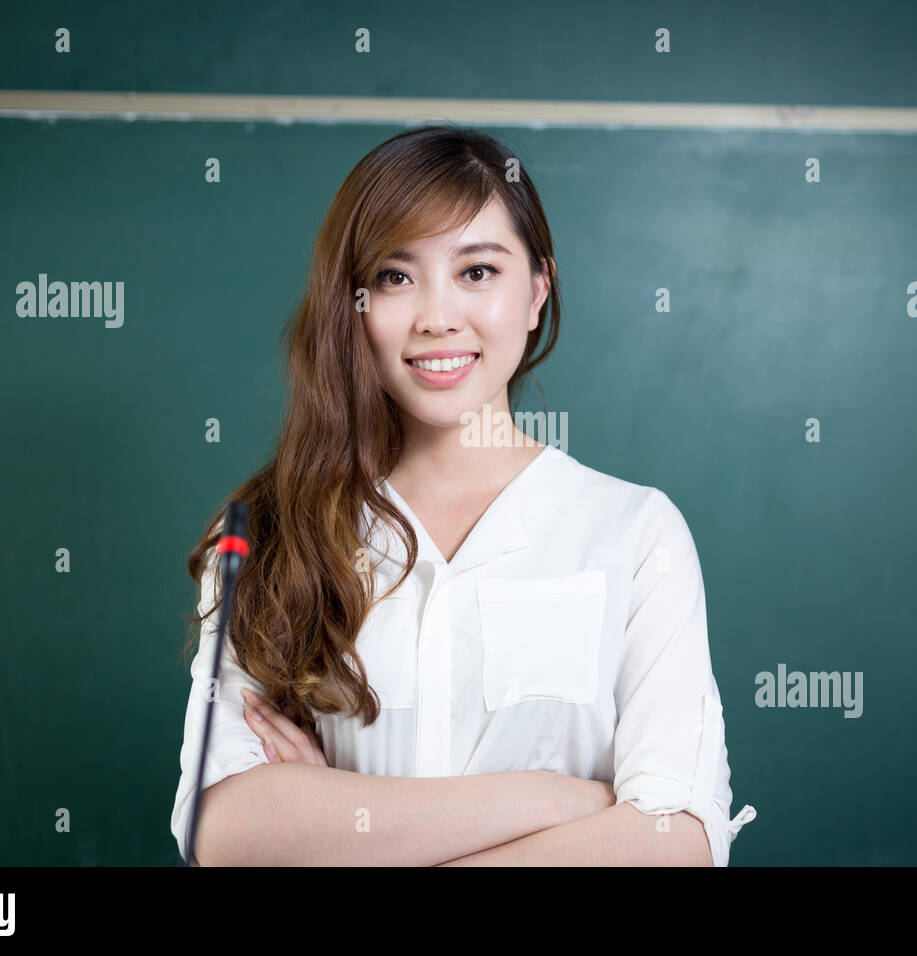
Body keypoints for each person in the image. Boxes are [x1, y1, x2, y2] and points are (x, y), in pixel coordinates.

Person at [169, 124, 755, 866]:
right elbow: (221, 826)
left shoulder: (635, 535)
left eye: (477, 272)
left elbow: (678, 839)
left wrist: (344, 832)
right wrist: (553, 798)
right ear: (351, 305)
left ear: (537, 291)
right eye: (393, 275)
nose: (437, 317)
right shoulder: (274, 531)